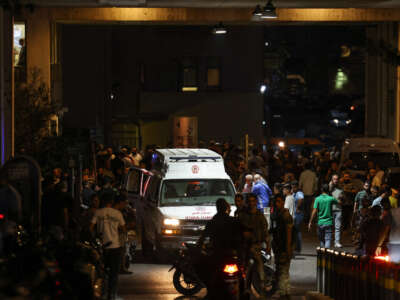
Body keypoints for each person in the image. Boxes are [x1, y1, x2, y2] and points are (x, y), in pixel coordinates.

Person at [197, 198, 241, 298]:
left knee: (205, 270)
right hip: (232, 253)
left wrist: (198, 246)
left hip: (217, 254)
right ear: (226, 208)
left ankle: (211, 291)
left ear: (217, 208)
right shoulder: (233, 221)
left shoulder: (212, 222)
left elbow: (203, 237)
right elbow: (240, 236)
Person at [90, 195, 126, 300]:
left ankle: (101, 293)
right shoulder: (117, 214)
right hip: (115, 246)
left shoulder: (98, 212)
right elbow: (123, 229)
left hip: (102, 247)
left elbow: (90, 227)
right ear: (111, 202)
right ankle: (112, 295)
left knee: (102, 271)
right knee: (114, 273)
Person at [238, 193, 270, 298]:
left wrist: (268, 245)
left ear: (256, 202)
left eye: (253, 201)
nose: (252, 203)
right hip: (245, 247)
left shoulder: (260, 216)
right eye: (250, 201)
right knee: (245, 270)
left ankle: (262, 288)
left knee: (260, 268)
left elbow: (265, 232)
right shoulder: (242, 215)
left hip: (256, 246)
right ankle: (246, 290)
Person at [270, 194, 293, 300]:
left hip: (284, 246)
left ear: (283, 202)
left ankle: (283, 292)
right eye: (276, 202)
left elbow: (289, 232)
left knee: (283, 269)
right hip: (278, 246)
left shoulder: (285, 215)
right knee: (280, 268)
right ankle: (285, 291)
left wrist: (288, 247)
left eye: (279, 201)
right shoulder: (275, 214)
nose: (277, 204)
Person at [308, 184, 340, 248]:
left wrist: (310, 222)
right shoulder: (331, 199)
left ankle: (322, 253)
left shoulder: (317, 199)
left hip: (320, 222)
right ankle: (326, 253)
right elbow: (339, 202)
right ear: (328, 190)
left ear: (321, 189)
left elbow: (314, 211)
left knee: (321, 240)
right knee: (328, 239)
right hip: (329, 222)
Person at [329, 174, 343, 248]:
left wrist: (340, 199)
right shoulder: (329, 188)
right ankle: (329, 241)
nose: (335, 180)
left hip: (338, 209)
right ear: (331, 180)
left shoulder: (340, 189)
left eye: (337, 179)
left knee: (337, 227)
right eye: (334, 179)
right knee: (329, 226)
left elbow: (341, 200)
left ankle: (337, 242)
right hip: (330, 209)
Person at [291, 181, 304, 253]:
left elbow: (301, 199)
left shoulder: (299, 193)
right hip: (295, 214)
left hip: (298, 214)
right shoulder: (293, 193)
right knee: (295, 231)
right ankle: (296, 247)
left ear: (296, 187)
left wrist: (298, 207)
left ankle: (298, 248)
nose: (292, 188)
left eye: (293, 187)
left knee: (297, 230)